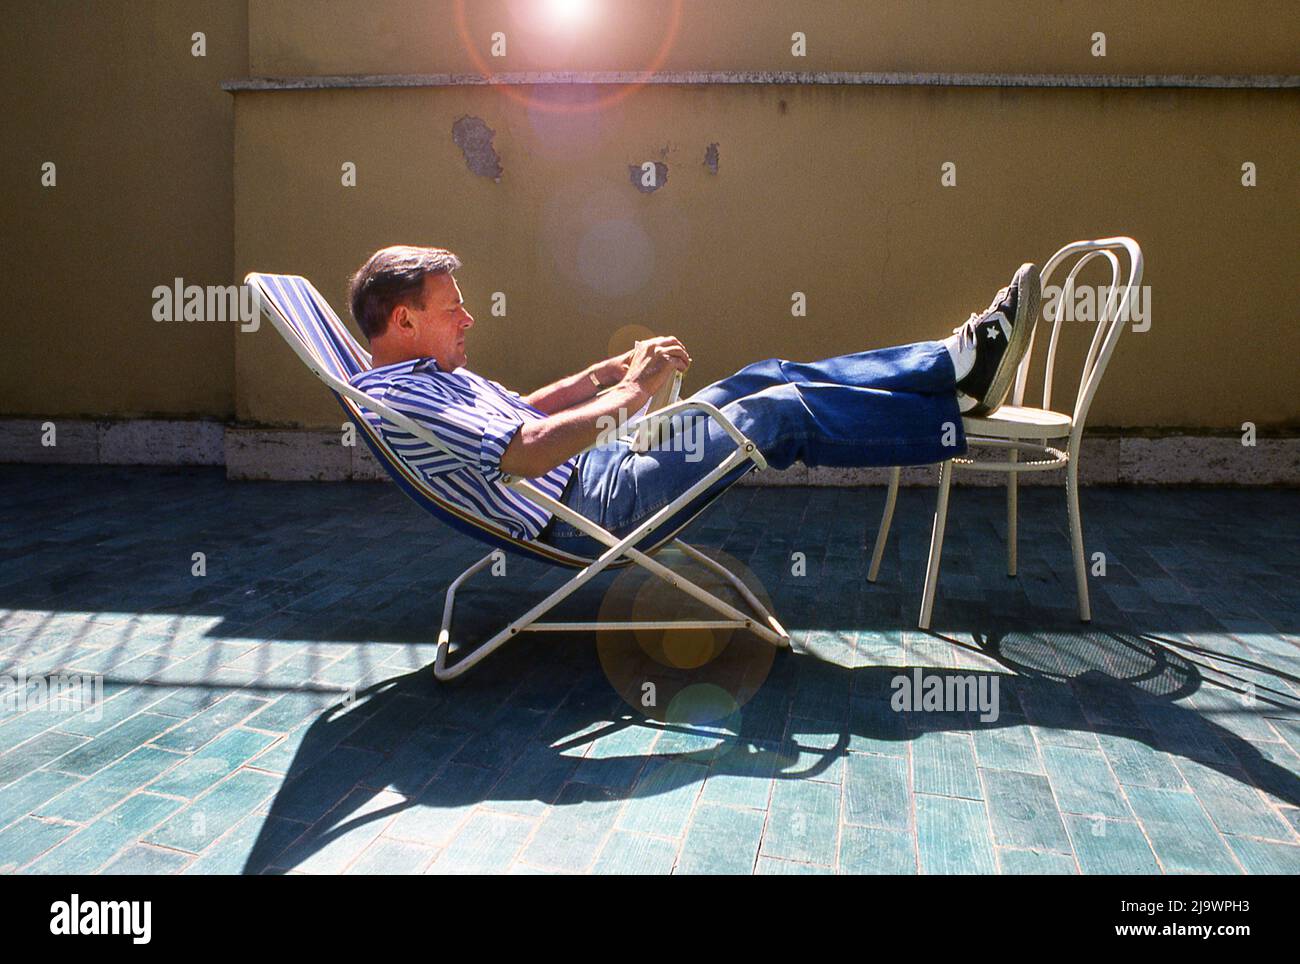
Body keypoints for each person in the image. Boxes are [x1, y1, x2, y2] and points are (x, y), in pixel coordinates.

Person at [347, 245, 1039, 556]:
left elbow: (523, 412)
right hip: (596, 506)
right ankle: (950, 415)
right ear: (404, 321)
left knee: (761, 376)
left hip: (607, 465)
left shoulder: (428, 375)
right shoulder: (404, 400)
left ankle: (955, 365)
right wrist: (633, 389)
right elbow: (526, 453)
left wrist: (599, 373)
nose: (468, 321)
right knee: (775, 413)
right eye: (452, 310)